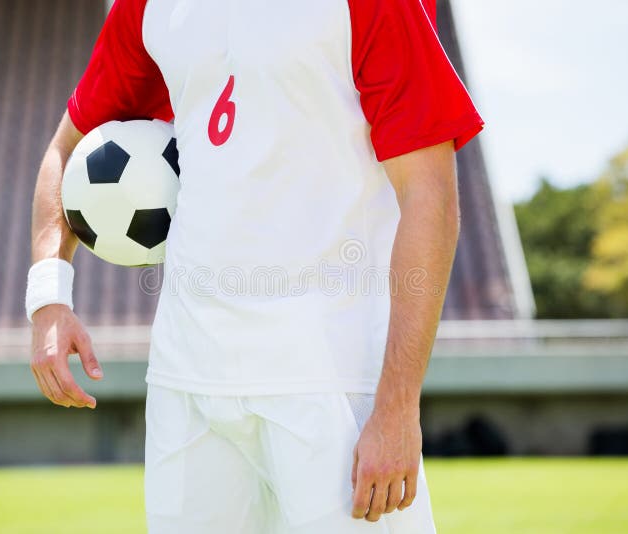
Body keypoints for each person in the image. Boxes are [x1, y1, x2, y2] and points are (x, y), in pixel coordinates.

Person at [26, 0, 483, 532]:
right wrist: (48, 297)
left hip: (328, 381)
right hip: (187, 377)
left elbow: (432, 199)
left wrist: (399, 408)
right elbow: (67, 146)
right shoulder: (149, 7)